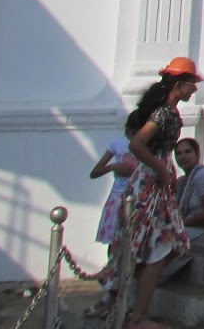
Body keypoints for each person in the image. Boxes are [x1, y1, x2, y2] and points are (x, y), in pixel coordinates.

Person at [121, 57, 204, 329]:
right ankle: (139, 316)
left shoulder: (168, 112)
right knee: (161, 246)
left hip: (155, 180)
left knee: (163, 245)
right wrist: (161, 168)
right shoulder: (164, 113)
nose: (194, 89)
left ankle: (135, 308)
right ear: (179, 85)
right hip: (151, 182)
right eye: (191, 83)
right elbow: (137, 143)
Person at [83, 133, 138, 319]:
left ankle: (118, 298)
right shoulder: (117, 145)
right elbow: (95, 172)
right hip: (117, 199)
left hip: (136, 199)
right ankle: (110, 296)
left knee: (129, 250)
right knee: (113, 249)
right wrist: (114, 167)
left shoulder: (148, 145)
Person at [161, 138, 204, 281]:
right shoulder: (182, 182)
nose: (183, 156)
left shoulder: (202, 176)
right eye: (179, 153)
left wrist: (182, 223)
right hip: (193, 231)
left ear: (197, 155)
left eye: (188, 152)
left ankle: (152, 278)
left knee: (167, 241)